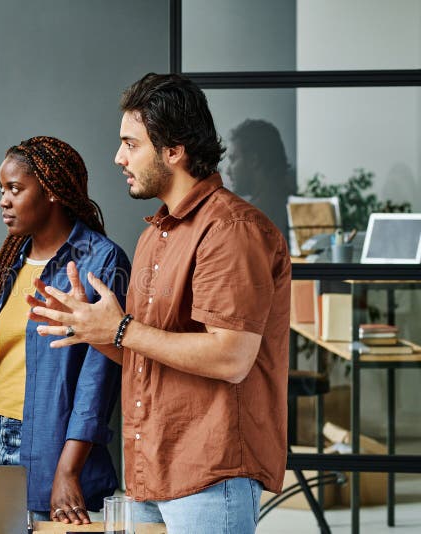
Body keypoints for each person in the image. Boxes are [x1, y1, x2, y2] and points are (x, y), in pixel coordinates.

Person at [30, 74, 291, 533]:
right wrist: (90, 327)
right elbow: (147, 350)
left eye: (131, 144)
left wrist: (119, 329)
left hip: (210, 475)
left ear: (174, 151)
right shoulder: (156, 234)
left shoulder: (231, 230)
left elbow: (231, 355)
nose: (118, 157)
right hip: (151, 470)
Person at [0, 136, 130, 524]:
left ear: (53, 190)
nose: (3, 200)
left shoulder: (100, 261)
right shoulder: (12, 258)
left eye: (15, 189)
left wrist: (68, 470)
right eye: (2, 190)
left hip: (52, 445)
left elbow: (98, 381)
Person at [226, 118, 297, 237]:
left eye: (233, 159)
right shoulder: (296, 207)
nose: (227, 171)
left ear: (253, 160)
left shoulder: (246, 219)